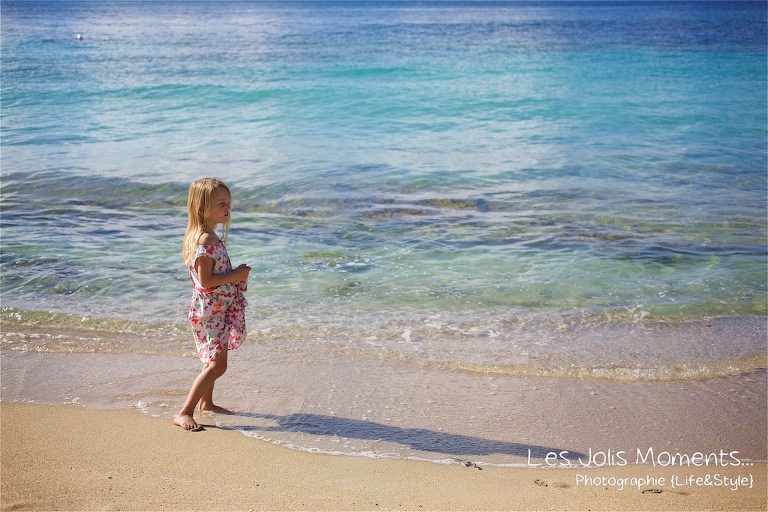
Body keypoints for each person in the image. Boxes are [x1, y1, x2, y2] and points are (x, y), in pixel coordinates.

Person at [174, 178, 251, 431]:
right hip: (210, 311)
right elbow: (206, 282)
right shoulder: (206, 240)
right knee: (219, 365)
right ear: (202, 208)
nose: (227, 207)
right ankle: (184, 411)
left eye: (228, 202)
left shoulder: (210, 236)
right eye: (220, 203)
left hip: (216, 308)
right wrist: (237, 275)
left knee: (211, 360)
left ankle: (206, 403)